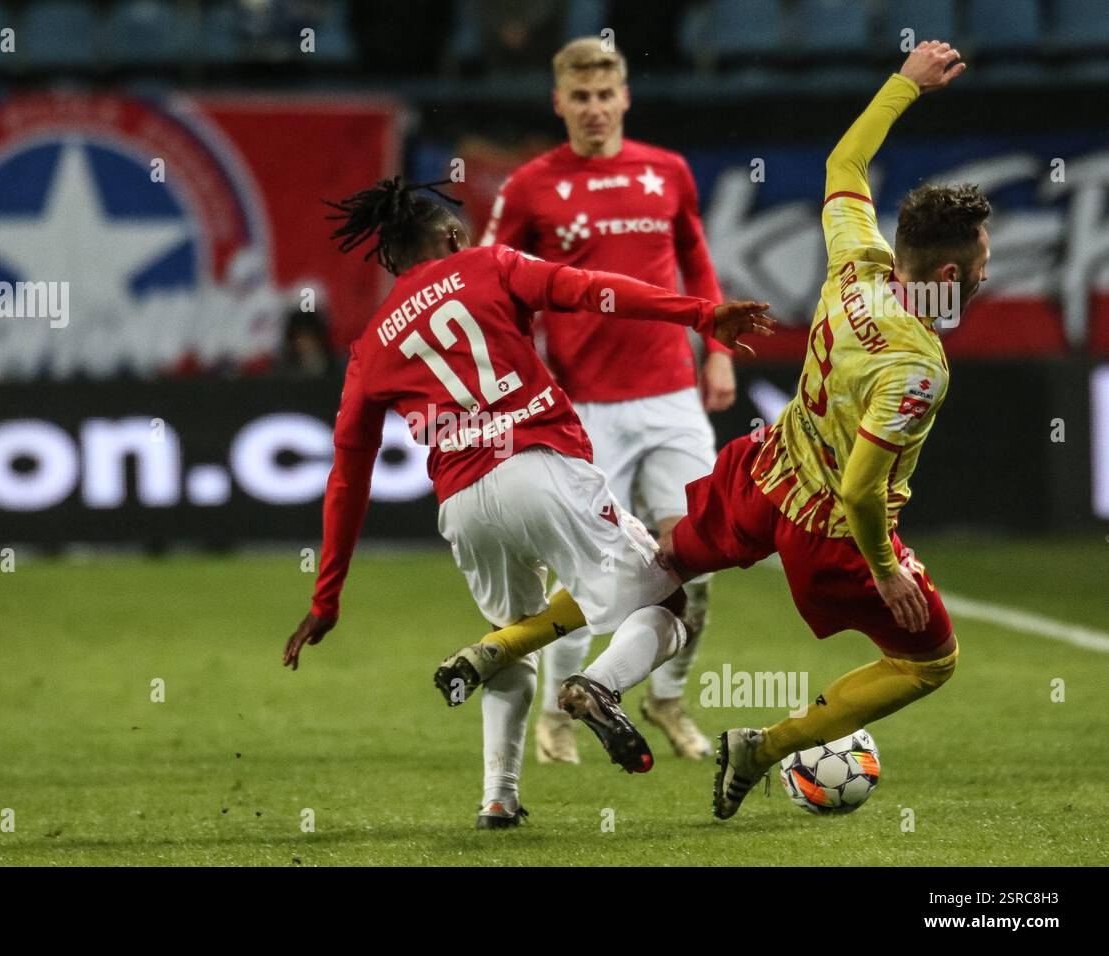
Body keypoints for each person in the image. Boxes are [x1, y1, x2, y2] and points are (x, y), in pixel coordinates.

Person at [444, 40, 983, 821]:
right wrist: (884, 569)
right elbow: (863, 488)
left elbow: (845, 162)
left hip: (760, 470)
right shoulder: (919, 366)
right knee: (929, 660)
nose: (986, 275)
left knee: (654, 564)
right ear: (946, 278)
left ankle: (516, 646)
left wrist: (904, 84)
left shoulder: (856, 263)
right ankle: (762, 746)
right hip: (828, 528)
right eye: (980, 266)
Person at [280, 176, 772, 827]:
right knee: (673, 601)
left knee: (509, 644)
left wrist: (326, 598)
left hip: (463, 505)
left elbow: (347, 476)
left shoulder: (371, 347)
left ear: (392, 262)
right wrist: (700, 315)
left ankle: (498, 798)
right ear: (453, 236)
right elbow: (592, 291)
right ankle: (599, 686)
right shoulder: (488, 263)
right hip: (539, 466)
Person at [481, 35, 733, 762]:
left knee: (701, 563)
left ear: (625, 97)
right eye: (580, 98)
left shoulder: (667, 172)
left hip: (671, 396)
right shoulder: (530, 186)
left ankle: (667, 700)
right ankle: (560, 714)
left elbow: (697, 262)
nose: (594, 110)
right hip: (584, 409)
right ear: (559, 103)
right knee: (589, 578)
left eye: (605, 95)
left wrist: (715, 348)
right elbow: (495, 288)